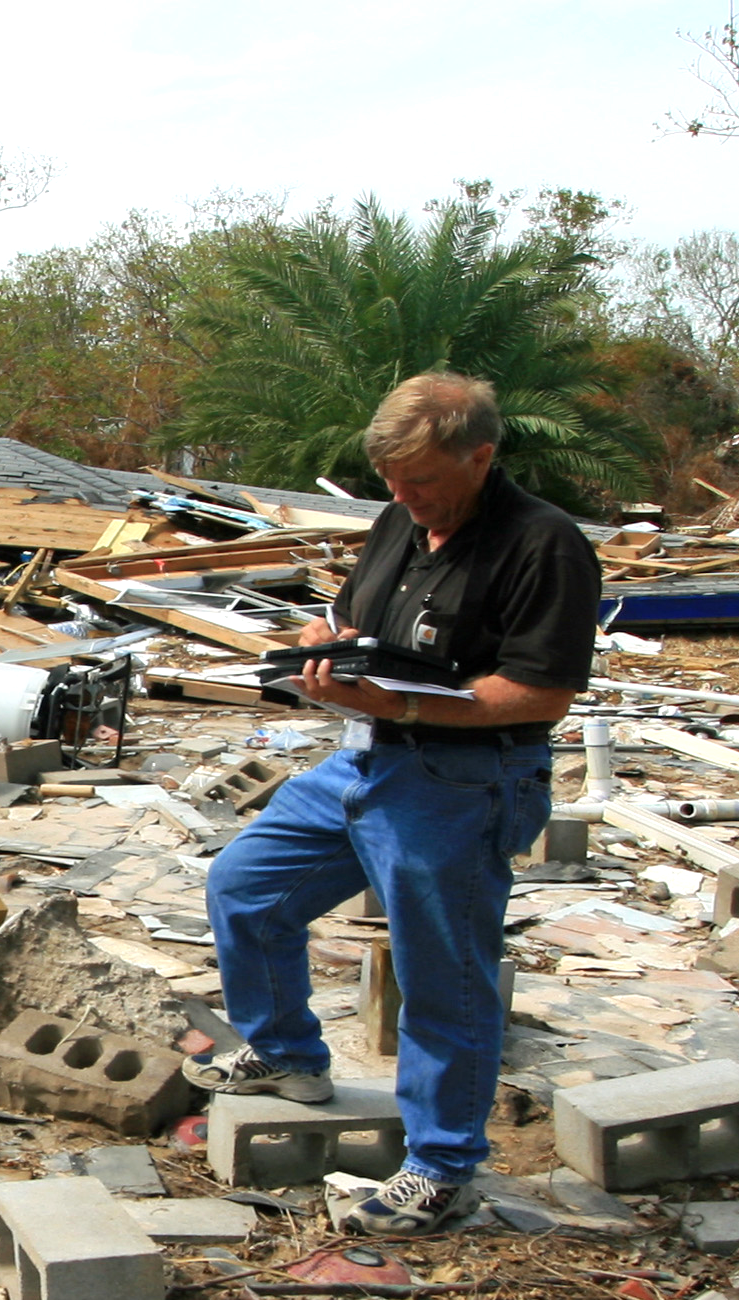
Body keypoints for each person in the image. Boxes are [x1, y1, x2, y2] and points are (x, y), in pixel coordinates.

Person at [190, 372, 601, 1235]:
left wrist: (408, 706)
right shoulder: (396, 521)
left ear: (481, 456)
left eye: (423, 481)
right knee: (245, 886)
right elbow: (348, 616)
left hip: (465, 780)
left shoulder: (544, 544)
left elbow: (540, 693)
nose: (405, 498)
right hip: (364, 760)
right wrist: (325, 645)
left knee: (440, 974)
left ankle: (444, 1164)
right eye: (392, 481)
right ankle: (290, 1057)